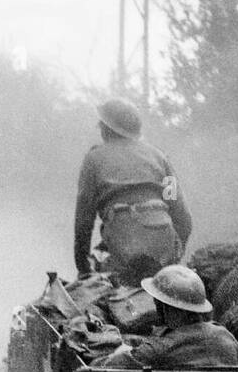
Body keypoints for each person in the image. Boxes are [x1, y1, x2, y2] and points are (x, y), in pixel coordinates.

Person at [73, 98, 192, 283]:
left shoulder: (93, 159)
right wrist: (175, 256)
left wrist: (82, 269)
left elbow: (84, 221)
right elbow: (182, 216)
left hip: (123, 248)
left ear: (106, 129)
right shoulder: (159, 158)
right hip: (164, 247)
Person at [90, 264, 238, 369]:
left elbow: (99, 367)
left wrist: (120, 352)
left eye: (158, 304)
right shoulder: (227, 337)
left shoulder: (160, 349)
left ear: (165, 308)